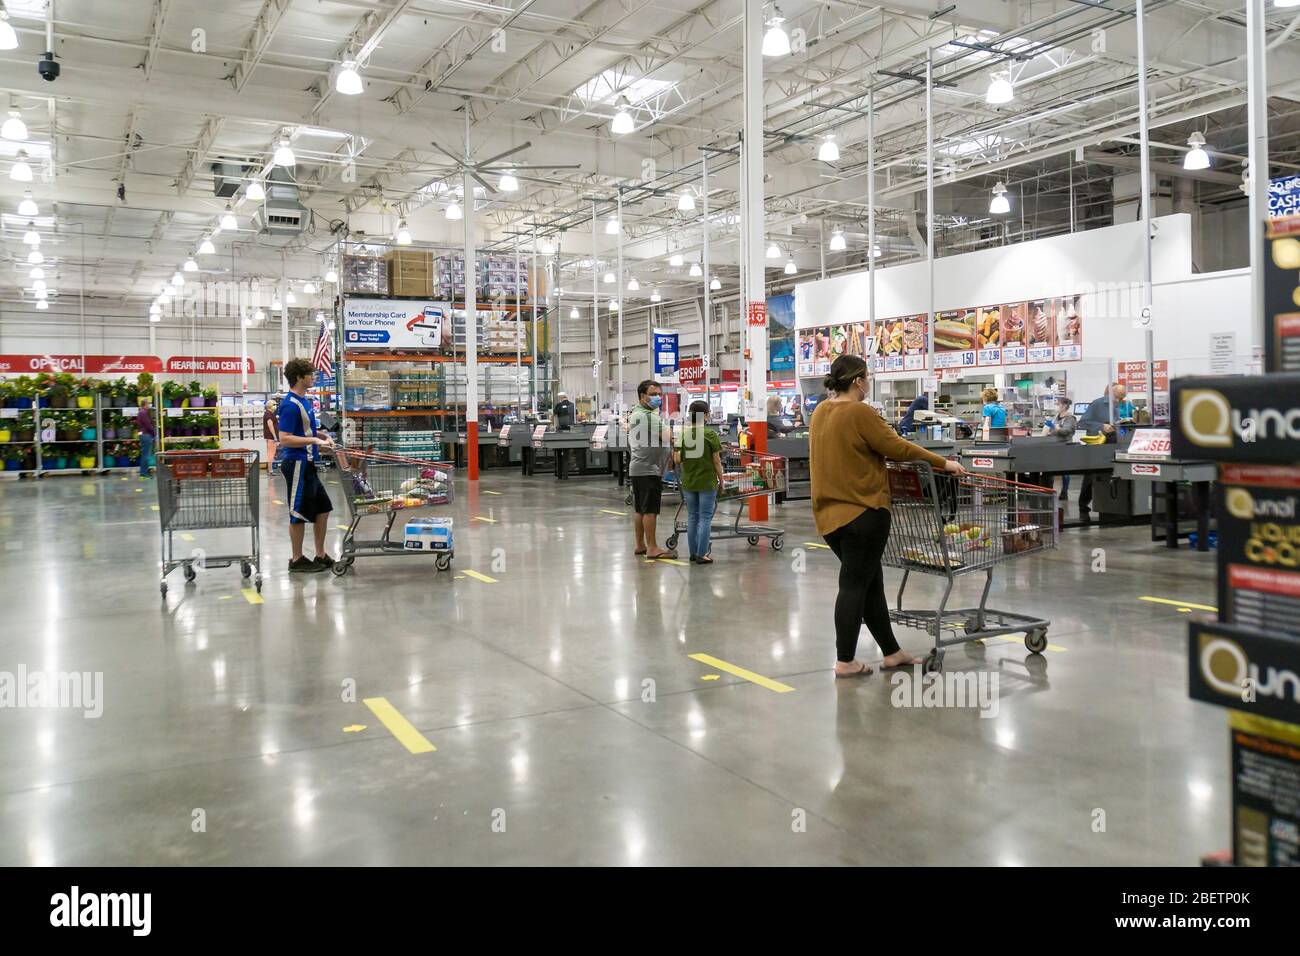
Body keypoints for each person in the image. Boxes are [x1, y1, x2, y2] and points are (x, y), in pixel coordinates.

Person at [810, 354, 965, 677]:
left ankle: (892, 652)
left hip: (829, 516)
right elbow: (899, 448)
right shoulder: (858, 412)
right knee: (854, 585)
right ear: (857, 381)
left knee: (869, 583)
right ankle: (845, 660)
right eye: (866, 377)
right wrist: (943, 463)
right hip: (862, 512)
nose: (868, 383)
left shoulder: (820, 412)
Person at [278, 358, 337, 573]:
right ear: (299, 377)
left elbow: (308, 431)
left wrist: (323, 436)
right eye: (310, 374)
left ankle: (320, 554)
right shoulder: (290, 405)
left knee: (324, 508)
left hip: (310, 463)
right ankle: (296, 559)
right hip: (296, 463)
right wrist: (313, 441)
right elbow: (284, 438)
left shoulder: (305, 402)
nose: (314, 377)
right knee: (299, 513)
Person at [628, 379, 675, 559]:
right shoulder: (648, 416)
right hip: (648, 469)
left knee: (640, 508)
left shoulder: (638, 412)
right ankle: (652, 547)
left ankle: (640, 545)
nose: (658, 398)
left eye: (659, 394)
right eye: (653, 394)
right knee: (650, 510)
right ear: (642, 396)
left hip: (639, 467)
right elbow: (667, 435)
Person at [674, 400, 724, 564]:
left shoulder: (684, 434)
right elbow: (716, 461)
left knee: (692, 517)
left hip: (689, 481)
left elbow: (677, 459)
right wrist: (722, 480)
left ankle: (693, 552)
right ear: (706, 415)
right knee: (705, 518)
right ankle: (702, 554)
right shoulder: (710, 434)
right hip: (707, 482)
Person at [1077, 382, 1126, 521]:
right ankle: (1083, 508)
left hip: (1114, 444)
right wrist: (1101, 426)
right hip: (1098, 446)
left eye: (1121, 398)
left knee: (1112, 476)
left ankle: (1112, 508)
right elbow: (1082, 423)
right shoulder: (1097, 404)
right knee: (1091, 478)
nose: (1119, 401)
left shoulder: (1121, 406)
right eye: (1117, 397)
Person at [136, 396, 156, 480]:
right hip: (146, 435)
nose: (149, 405)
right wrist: (154, 433)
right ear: (145, 404)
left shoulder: (141, 412)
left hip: (143, 434)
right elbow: (148, 425)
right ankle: (144, 474)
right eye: (148, 403)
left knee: (145, 454)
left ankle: (144, 472)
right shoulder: (143, 412)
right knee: (146, 455)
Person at [263, 396, 280, 474]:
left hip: (271, 437)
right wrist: (275, 437)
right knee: (271, 453)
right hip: (271, 437)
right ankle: (270, 470)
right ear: (270, 406)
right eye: (274, 405)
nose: (275, 406)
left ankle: (270, 470)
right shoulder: (269, 414)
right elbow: (270, 426)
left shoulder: (270, 414)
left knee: (271, 453)